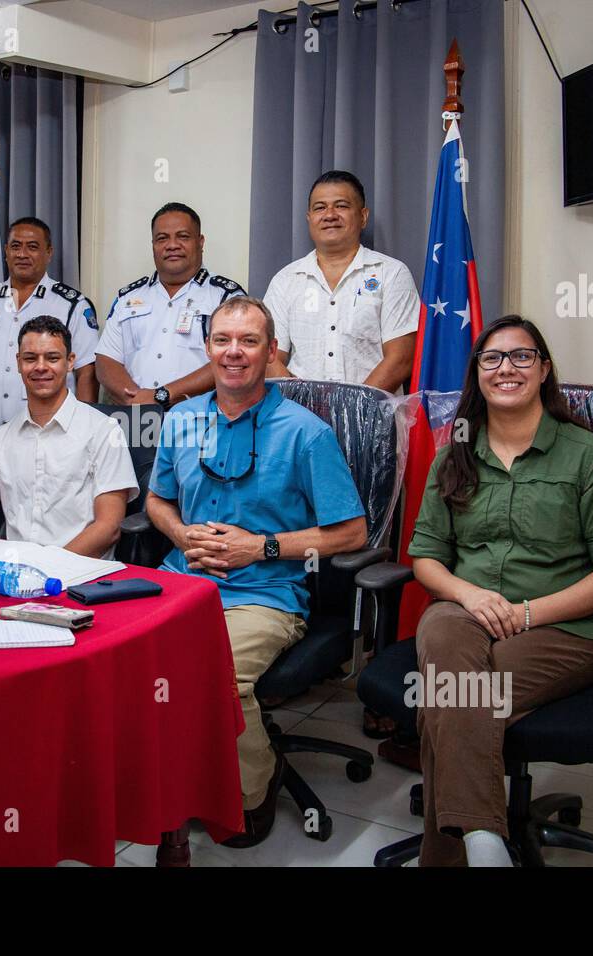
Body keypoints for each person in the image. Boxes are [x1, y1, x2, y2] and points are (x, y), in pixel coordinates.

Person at [407, 315, 593, 866]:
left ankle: (466, 851)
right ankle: (488, 844)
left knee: (449, 701)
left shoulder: (589, 457)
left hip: (566, 627)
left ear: (544, 370)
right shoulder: (454, 455)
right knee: (442, 631)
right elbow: (426, 558)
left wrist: (530, 612)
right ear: (477, 374)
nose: (505, 367)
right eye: (491, 358)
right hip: (466, 614)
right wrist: (469, 596)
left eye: (521, 356)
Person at [144, 295, 367, 847]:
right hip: (184, 584)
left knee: (217, 676)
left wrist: (259, 548)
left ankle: (252, 788)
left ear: (270, 353)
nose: (234, 352)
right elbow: (157, 502)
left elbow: (352, 534)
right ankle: (170, 786)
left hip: (264, 594)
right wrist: (179, 533)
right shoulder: (180, 419)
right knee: (128, 665)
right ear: (208, 348)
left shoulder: (305, 432)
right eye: (223, 340)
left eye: (249, 341)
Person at [0, 316, 137, 559]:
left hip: (83, 577)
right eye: (30, 358)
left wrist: (47, 568)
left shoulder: (103, 431)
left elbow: (108, 529)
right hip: (13, 575)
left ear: (70, 362)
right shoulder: (0, 439)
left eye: (52, 358)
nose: (40, 367)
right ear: (18, 362)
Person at [263, 170, 419, 390]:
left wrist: (354, 409)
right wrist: (306, 410)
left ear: (363, 216)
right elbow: (270, 357)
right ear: (309, 218)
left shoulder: (391, 273)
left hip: (373, 418)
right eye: (320, 207)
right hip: (302, 418)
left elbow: (401, 359)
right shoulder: (285, 280)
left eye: (341, 206)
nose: (330, 215)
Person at [0, 217, 99, 437]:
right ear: (5, 251)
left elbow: (87, 373)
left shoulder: (72, 305)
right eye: (15, 246)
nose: (22, 254)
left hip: (51, 432)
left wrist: (83, 431)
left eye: (32, 247)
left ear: (49, 253)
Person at [96, 202, 245, 410]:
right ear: (153, 245)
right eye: (162, 238)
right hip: (135, 420)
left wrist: (163, 396)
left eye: (183, 236)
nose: (172, 245)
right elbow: (106, 360)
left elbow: (232, 359)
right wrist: (136, 401)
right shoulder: (128, 297)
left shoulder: (226, 297)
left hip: (203, 420)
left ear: (200, 242)